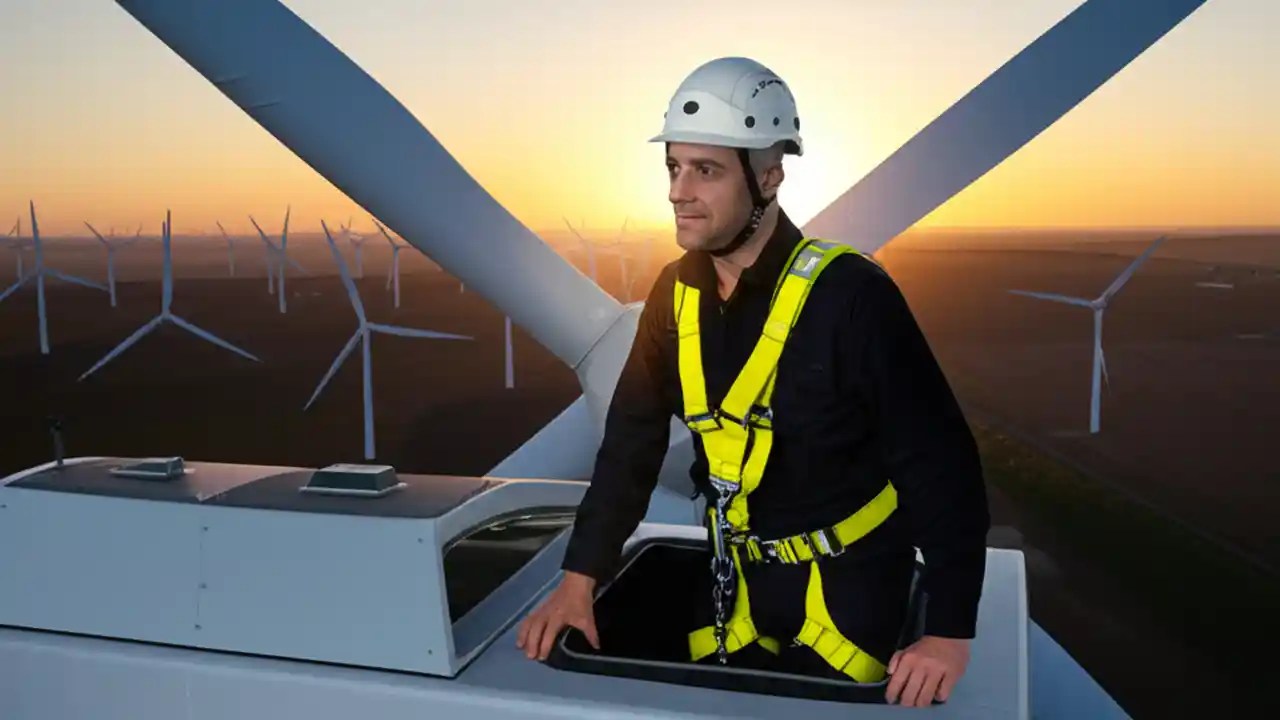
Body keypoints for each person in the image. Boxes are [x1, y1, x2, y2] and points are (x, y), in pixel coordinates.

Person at [517, 56, 990, 709]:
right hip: (736, 582)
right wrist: (580, 575)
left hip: (850, 588)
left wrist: (948, 630)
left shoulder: (851, 296)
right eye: (674, 167)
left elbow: (941, 465)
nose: (679, 191)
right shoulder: (673, 294)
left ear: (769, 177)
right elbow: (631, 444)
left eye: (705, 170)